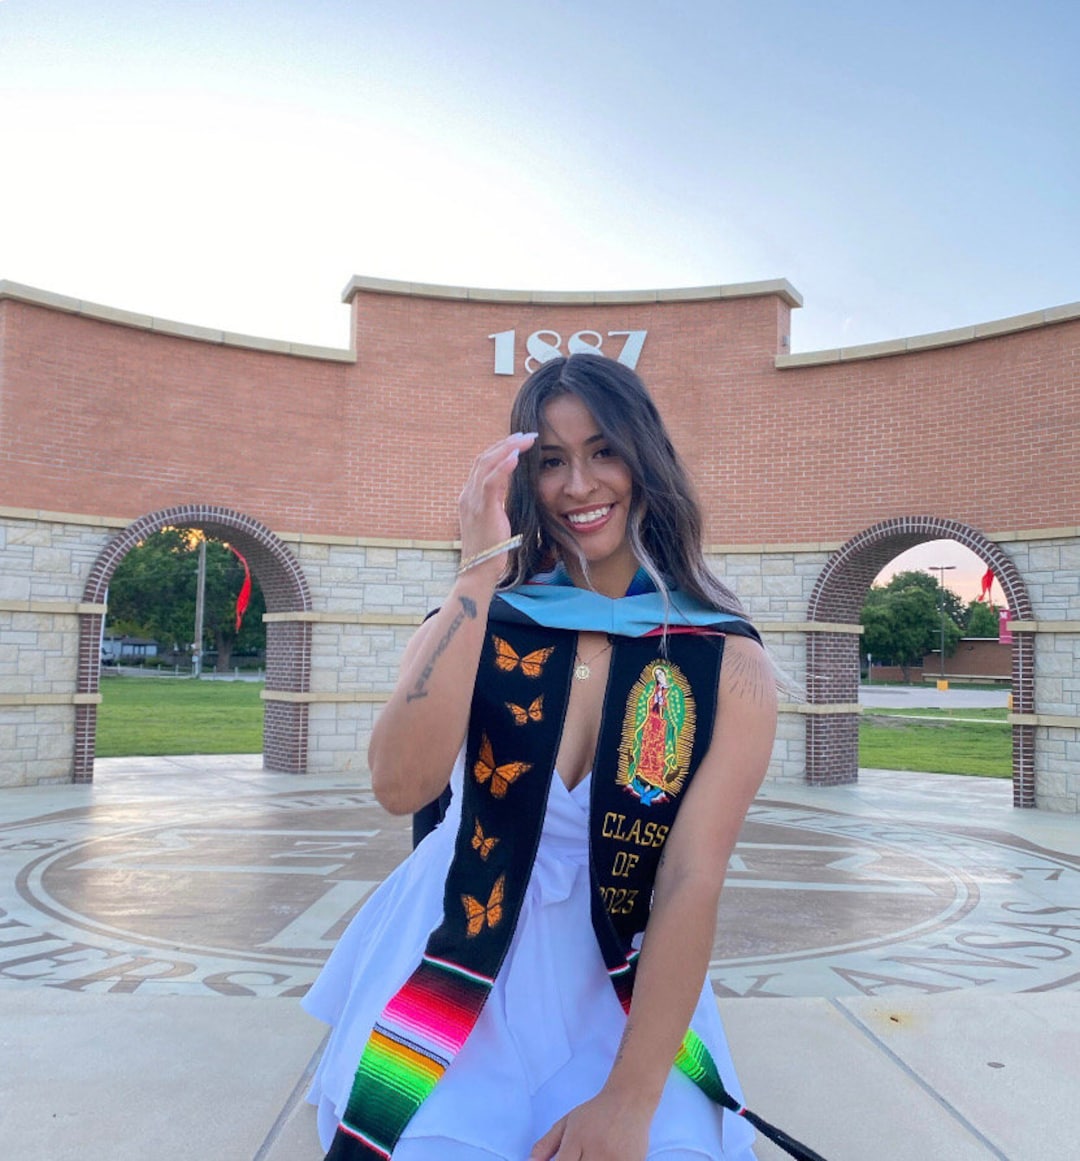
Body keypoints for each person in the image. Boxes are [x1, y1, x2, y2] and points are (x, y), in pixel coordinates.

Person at [303, 353, 778, 1161]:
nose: (578, 484)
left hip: (619, 966)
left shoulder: (722, 659)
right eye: (551, 460)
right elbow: (399, 784)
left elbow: (691, 877)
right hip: (459, 942)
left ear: (645, 458)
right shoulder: (480, 616)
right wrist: (477, 568)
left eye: (603, 451)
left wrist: (629, 1100)